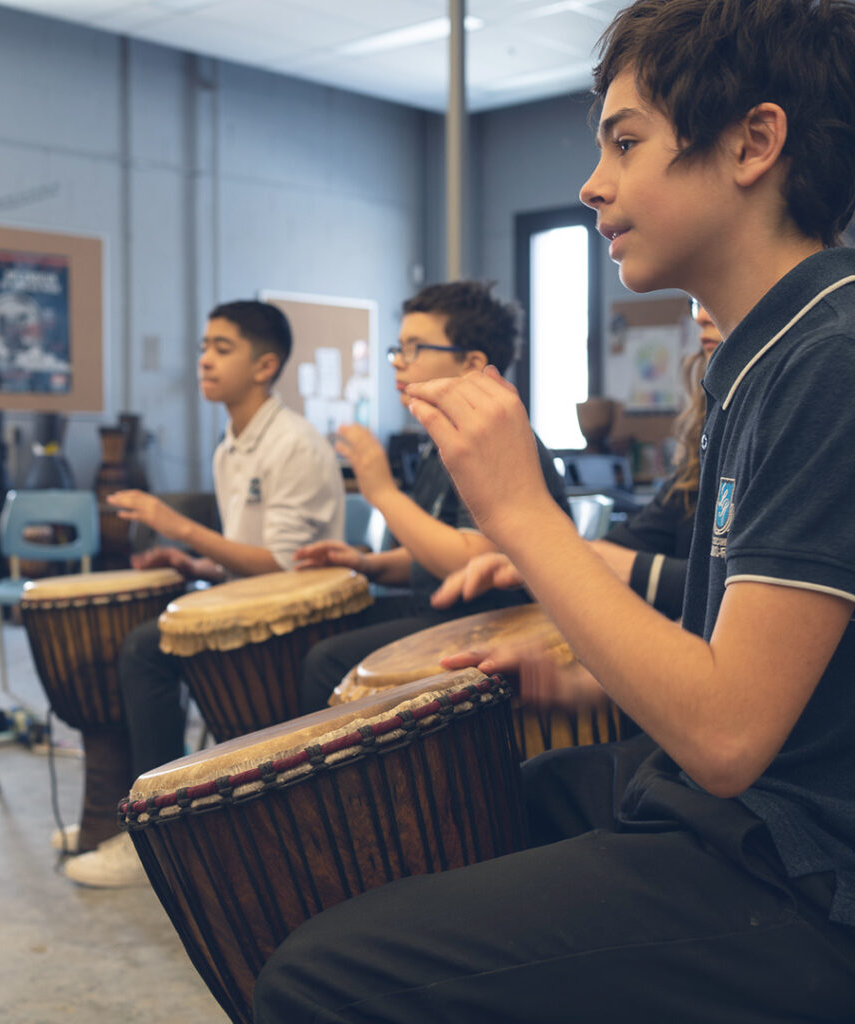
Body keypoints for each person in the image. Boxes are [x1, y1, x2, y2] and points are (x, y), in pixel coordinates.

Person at [254, 1, 855, 1019]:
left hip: (796, 872)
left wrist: (521, 515)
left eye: (625, 142)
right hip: (733, 805)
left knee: (313, 977)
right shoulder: (770, 357)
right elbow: (774, 685)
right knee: (428, 816)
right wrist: (580, 684)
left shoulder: (827, 357)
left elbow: (726, 735)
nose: (592, 184)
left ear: (753, 142)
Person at [62, 299, 345, 887]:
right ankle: (130, 812)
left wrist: (180, 526)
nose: (204, 360)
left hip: (293, 621)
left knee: (145, 650)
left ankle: (161, 832)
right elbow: (245, 559)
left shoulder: (293, 443)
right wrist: (192, 561)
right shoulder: (229, 447)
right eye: (202, 347)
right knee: (137, 636)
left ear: (265, 366)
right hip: (254, 605)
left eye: (222, 348)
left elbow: (284, 567)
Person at [293, 280, 569, 714]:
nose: (399, 363)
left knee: (327, 662)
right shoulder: (438, 445)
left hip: (495, 621)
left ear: (471, 363)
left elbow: (470, 562)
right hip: (445, 613)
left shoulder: (500, 443)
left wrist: (382, 492)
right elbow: (429, 553)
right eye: (398, 349)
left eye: (416, 348)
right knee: (313, 633)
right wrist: (366, 564)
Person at [433, 300, 722, 625]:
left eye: (415, 348)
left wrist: (383, 492)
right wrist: (545, 560)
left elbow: (737, 589)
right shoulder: (704, 449)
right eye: (694, 302)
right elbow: (639, 537)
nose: (700, 316)